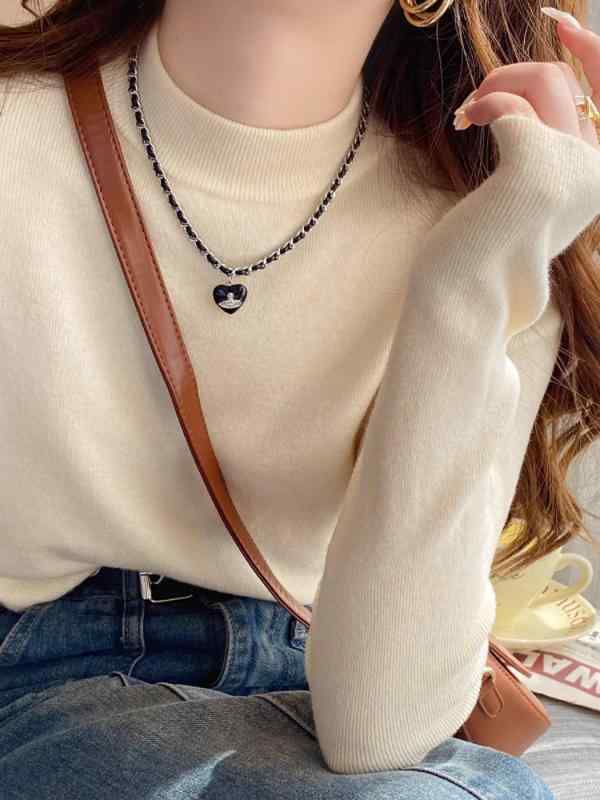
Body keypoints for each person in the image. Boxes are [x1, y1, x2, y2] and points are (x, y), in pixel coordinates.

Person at [1, 0, 600, 797]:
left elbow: (379, 731)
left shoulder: (492, 208)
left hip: (322, 684)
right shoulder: (17, 128)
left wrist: (471, 279)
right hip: (39, 678)